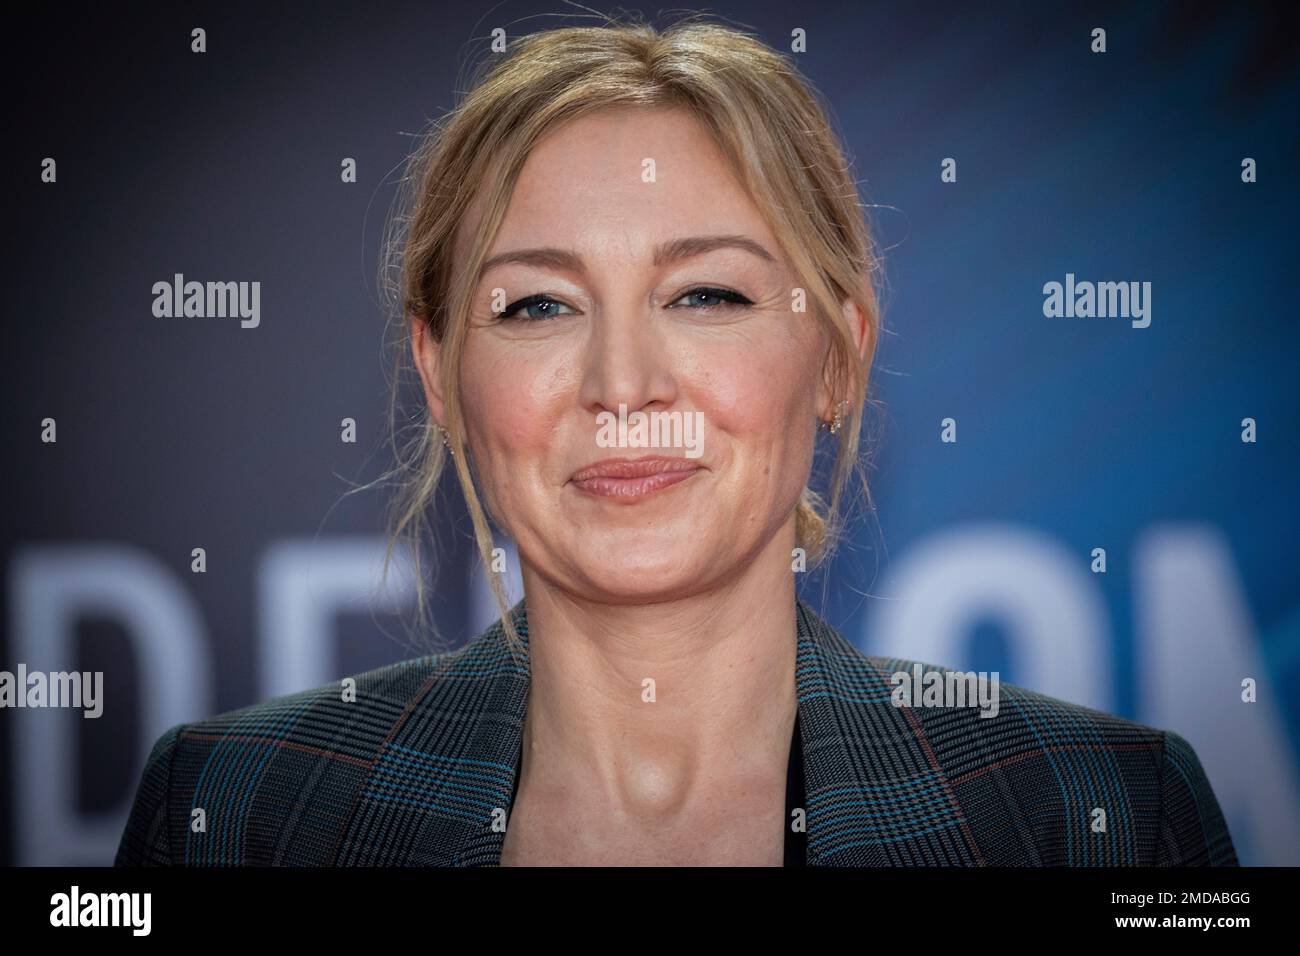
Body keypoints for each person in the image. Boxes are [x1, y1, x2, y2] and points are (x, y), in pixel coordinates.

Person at [115, 17, 1236, 867]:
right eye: (536, 307)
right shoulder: (234, 812)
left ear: (837, 358)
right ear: (439, 372)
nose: (623, 386)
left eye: (704, 293)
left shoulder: (1108, 815)